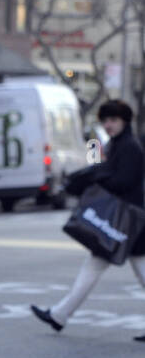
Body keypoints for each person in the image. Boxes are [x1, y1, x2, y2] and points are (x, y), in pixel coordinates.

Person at [31, 98, 145, 339]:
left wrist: (96, 179)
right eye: (105, 120)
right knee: (100, 268)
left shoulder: (130, 147)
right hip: (122, 222)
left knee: (112, 270)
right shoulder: (118, 144)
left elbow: (125, 182)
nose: (108, 125)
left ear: (124, 120)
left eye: (113, 120)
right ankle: (59, 315)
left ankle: (59, 315)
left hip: (128, 222)